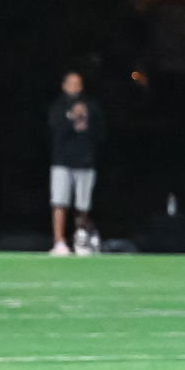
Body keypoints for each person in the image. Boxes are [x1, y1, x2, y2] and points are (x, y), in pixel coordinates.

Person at [47, 72, 106, 256]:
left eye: (78, 84)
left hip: (85, 163)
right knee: (59, 202)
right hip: (62, 162)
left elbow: (101, 133)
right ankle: (59, 243)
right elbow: (55, 129)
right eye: (71, 83)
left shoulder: (92, 107)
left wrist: (86, 118)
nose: (75, 87)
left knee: (83, 205)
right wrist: (72, 116)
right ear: (64, 86)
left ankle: (80, 241)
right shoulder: (58, 107)